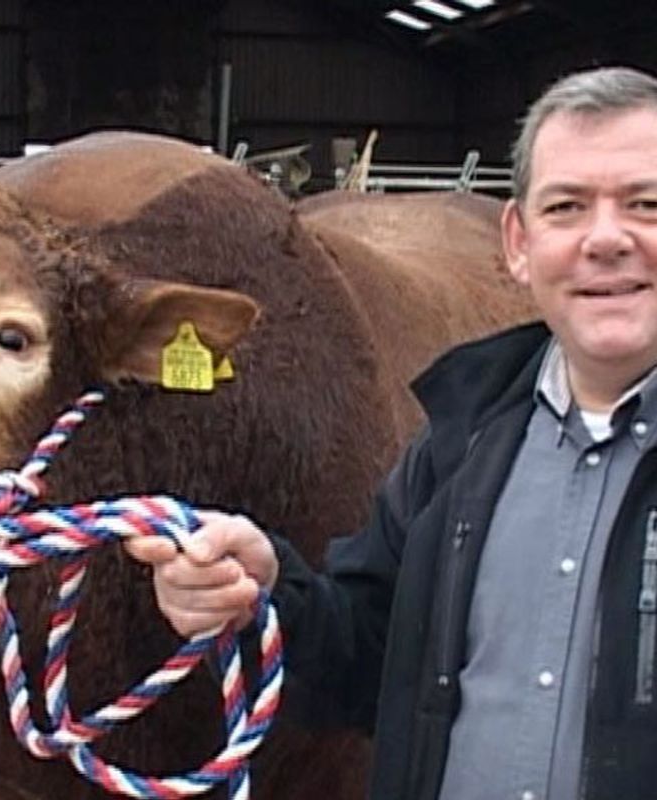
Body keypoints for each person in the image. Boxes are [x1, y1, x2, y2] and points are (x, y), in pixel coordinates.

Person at [127, 65, 657, 800]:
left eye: (646, 205)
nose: (605, 239)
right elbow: (370, 660)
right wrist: (265, 590)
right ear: (518, 243)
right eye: (566, 207)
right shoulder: (460, 444)